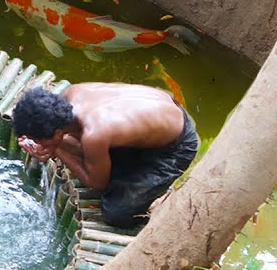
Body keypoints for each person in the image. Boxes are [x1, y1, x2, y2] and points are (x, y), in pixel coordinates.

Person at [12, 83, 199, 228]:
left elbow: (97, 183)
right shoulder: (71, 94)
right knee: (91, 152)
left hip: (176, 144)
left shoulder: (94, 134)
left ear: (57, 133)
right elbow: (76, 142)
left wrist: (57, 149)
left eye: (39, 140)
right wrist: (56, 143)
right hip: (160, 114)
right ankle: (127, 163)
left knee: (116, 213)